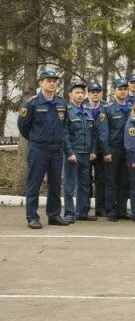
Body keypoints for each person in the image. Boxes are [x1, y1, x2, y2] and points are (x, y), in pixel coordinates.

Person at [18, 72, 70, 229]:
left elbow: (65, 125)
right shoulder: (31, 103)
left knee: (55, 182)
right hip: (38, 148)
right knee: (34, 182)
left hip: (56, 148)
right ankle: (32, 217)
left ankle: (53, 215)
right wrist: (36, 138)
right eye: (48, 81)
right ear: (41, 83)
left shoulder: (61, 103)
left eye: (55, 81)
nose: (52, 83)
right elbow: (23, 127)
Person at [63, 81, 99, 223]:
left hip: (86, 153)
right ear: (70, 94)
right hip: (73, 153)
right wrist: (69, 152)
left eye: (81, 92)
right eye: (76, 92)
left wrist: (93, 150)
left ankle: (82, 212)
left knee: (84, 185)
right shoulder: (66, 111)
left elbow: (94, 133)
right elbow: (64, 134)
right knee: (70, 185)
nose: (79, 95)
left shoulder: (87, 111)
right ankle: (69, 213)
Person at [104, 79, 132, 221]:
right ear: (114, 90)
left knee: (124, 181)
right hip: (113, 149)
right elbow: (104, 132)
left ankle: (121, 209)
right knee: (111, 181)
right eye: (120, 89)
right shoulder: (108, 109)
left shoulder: (132, 108)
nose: (123, 91)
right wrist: (106, 151)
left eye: (125, 89)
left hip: (127, 150)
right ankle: (110, 210)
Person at [84, 81, 108, 217]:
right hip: (86, 149)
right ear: (88, 93)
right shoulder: (83, 106)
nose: (95, 95)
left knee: (101, 179)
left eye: (98, 92)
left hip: (101, 149)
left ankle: (101, 208)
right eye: (92, 92)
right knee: (85, 179)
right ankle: (84, 207)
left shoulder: (106, 107)